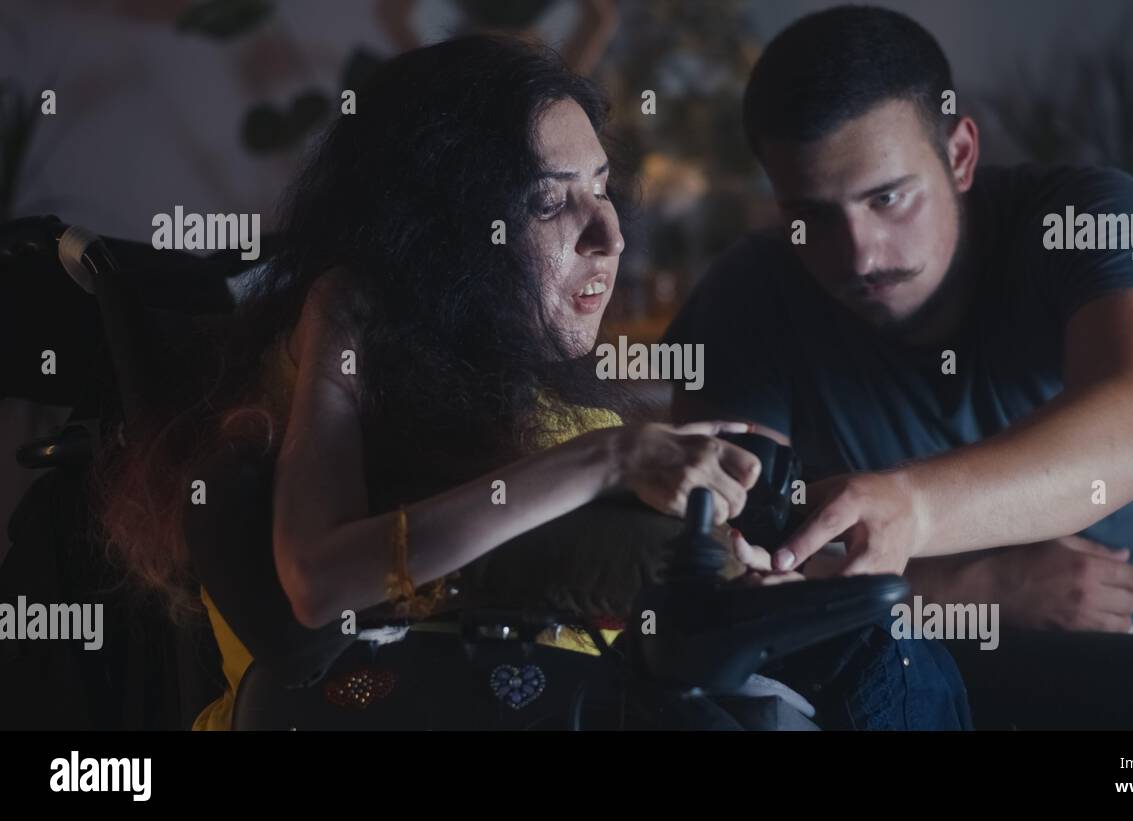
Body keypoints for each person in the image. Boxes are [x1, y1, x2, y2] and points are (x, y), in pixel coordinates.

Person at [92, 35, 970, 730]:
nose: (609, 234)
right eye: (551, 202)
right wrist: (610, 458)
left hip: (580, 697)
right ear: (442, 225)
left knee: (878, 636)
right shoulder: (350, 312)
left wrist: (739, 558)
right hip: (402, 710)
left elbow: (580, 585)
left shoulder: (529, 383)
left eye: (602, 188)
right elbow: (318, 579)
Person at [664, 4, 1133, 637]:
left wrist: (915, 510)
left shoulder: (1091, 216)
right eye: (812, 215)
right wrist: (974, 592)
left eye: (888, 198)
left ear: (959, 155)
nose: (860, 254)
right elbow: (720, 573)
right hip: (969, 690)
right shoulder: (747, 296)